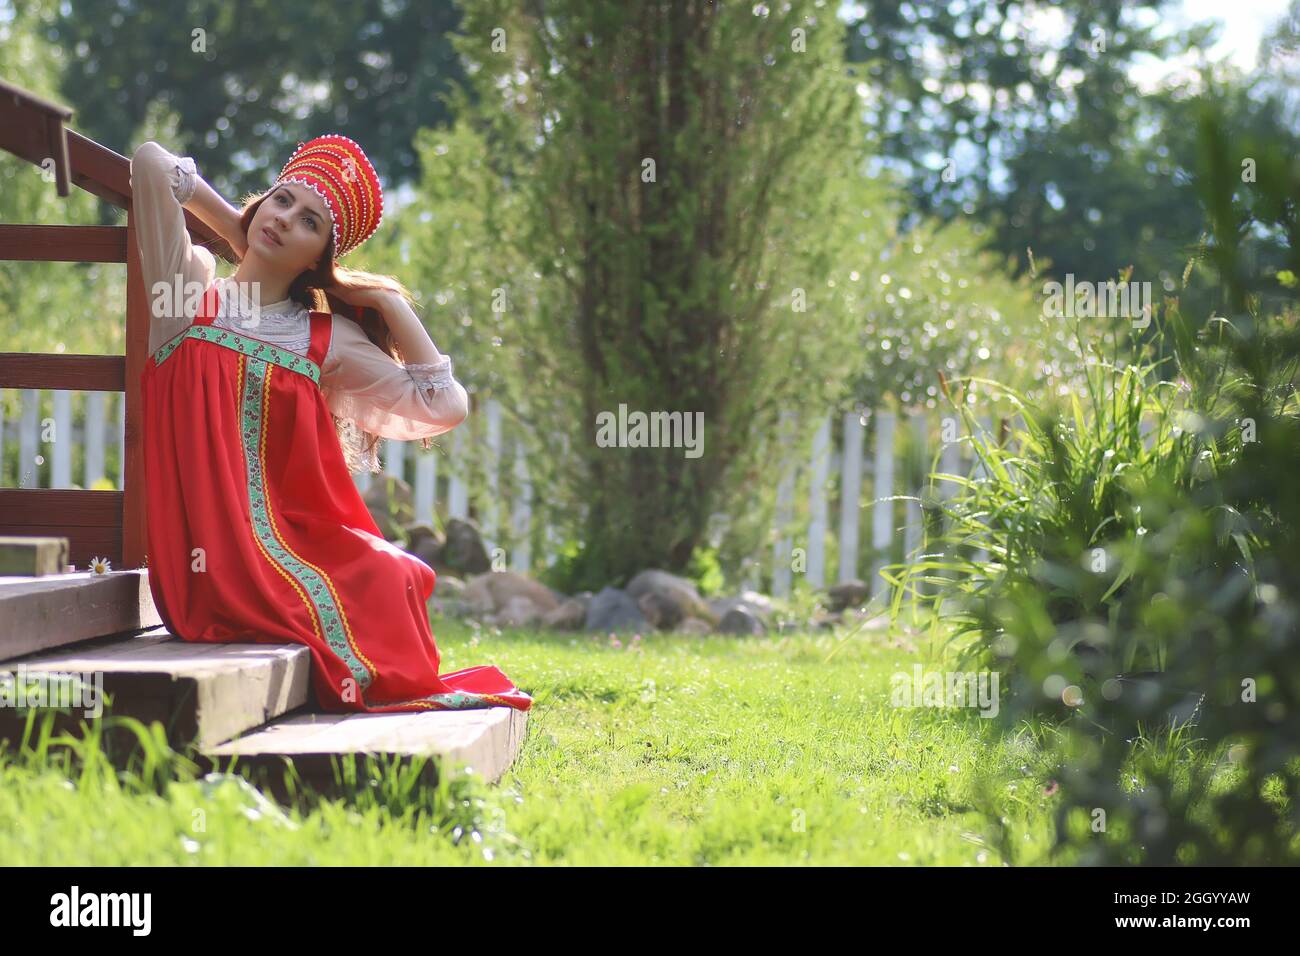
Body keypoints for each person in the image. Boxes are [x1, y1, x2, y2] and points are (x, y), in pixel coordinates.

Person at [130, 135, 531, 713]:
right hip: (206, 569)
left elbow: (443, 405)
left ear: (319, 259)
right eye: (282, 201)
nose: (286, 218)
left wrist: (388, 304)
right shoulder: (184, 295)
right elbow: (151, 162)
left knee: (394, 576)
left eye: (309, 222)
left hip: (291, 545)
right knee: (376, 588)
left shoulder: (323, 339)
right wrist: (244, 229)